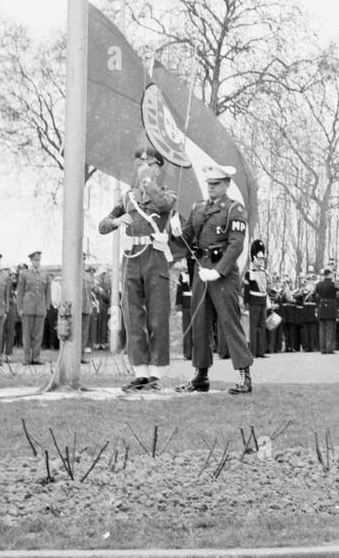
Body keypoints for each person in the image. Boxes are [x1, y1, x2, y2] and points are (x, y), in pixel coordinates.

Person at [99, 145, 180, 393]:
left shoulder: (167, 194)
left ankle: (156, 372)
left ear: (157, 167)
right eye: (138, 162)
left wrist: (148, 182)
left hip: (155, 256)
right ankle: (140, 372)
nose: (141, 166)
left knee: (157, 317)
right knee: (133, 316)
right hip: (132, 258)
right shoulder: (127, 198)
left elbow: (163, 205)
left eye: (147, 163)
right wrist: (115, 221)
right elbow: (103, 225)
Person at [180, 162, 253, 395]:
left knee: (229, 323)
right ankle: (201, 376)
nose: (211, 188)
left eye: (216, 184)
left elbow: (236, 245)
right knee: (199, 323)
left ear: (226, 185)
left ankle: (244, 375)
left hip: (222, 272)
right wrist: (172, 234)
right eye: (209, 184)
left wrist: (219, 270)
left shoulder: (234, 209)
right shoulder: (198, 208)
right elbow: (185, 236)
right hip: (201, 269)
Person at [16, 251, 50, 366]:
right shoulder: (24, 274)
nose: (37, 262)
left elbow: (47, 292)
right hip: (27, 308)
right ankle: (26, 358)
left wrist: (46, 307)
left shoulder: (45, 274)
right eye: (35, 260)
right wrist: (20, 308)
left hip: (40, 308)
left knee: (38, 334)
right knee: (27, 334)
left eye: (39, 260)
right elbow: (20, 292)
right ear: (31, 261)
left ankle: (36, 357)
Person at [245, 241, 270, 358]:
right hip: (254, 302)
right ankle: (253, 351)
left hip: (263, 301)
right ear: (254, 258)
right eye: (259, 258)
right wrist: (246, 305)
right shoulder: (249, 273)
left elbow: (267, 289)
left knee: (262, 326)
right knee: (253, 327)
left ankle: (261, 351)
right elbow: (246, 291)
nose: (261, 261)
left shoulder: (265, 272)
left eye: (262, 259)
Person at [314, 264, 339, 355]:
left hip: (321, 307)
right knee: (330, 329)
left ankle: (323, 349)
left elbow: (316, 293)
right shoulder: (333, 284)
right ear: (330, 274)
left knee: (322, 329)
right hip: (331, 307)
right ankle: (329, 349)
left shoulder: (318, 284)